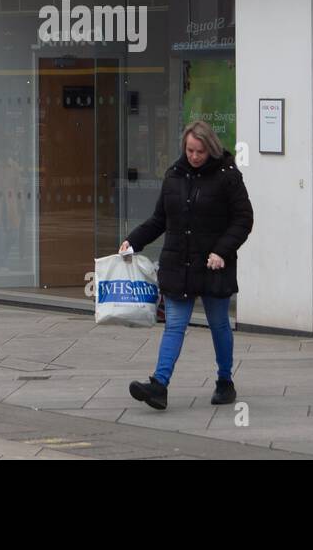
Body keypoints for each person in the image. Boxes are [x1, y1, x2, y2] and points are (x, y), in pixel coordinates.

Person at [121, 120, 253, 410]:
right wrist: (133, 241)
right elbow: (160, 220)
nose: (194, 156)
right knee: (174, 325)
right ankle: (159, 385)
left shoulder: (227, 176)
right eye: (190, 150)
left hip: (213, 264)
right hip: (178, 263)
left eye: (200, 152)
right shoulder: (174, 175)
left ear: (211, 149)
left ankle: (224, 381)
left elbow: (243, 220)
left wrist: (222, 251)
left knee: (219, 324)